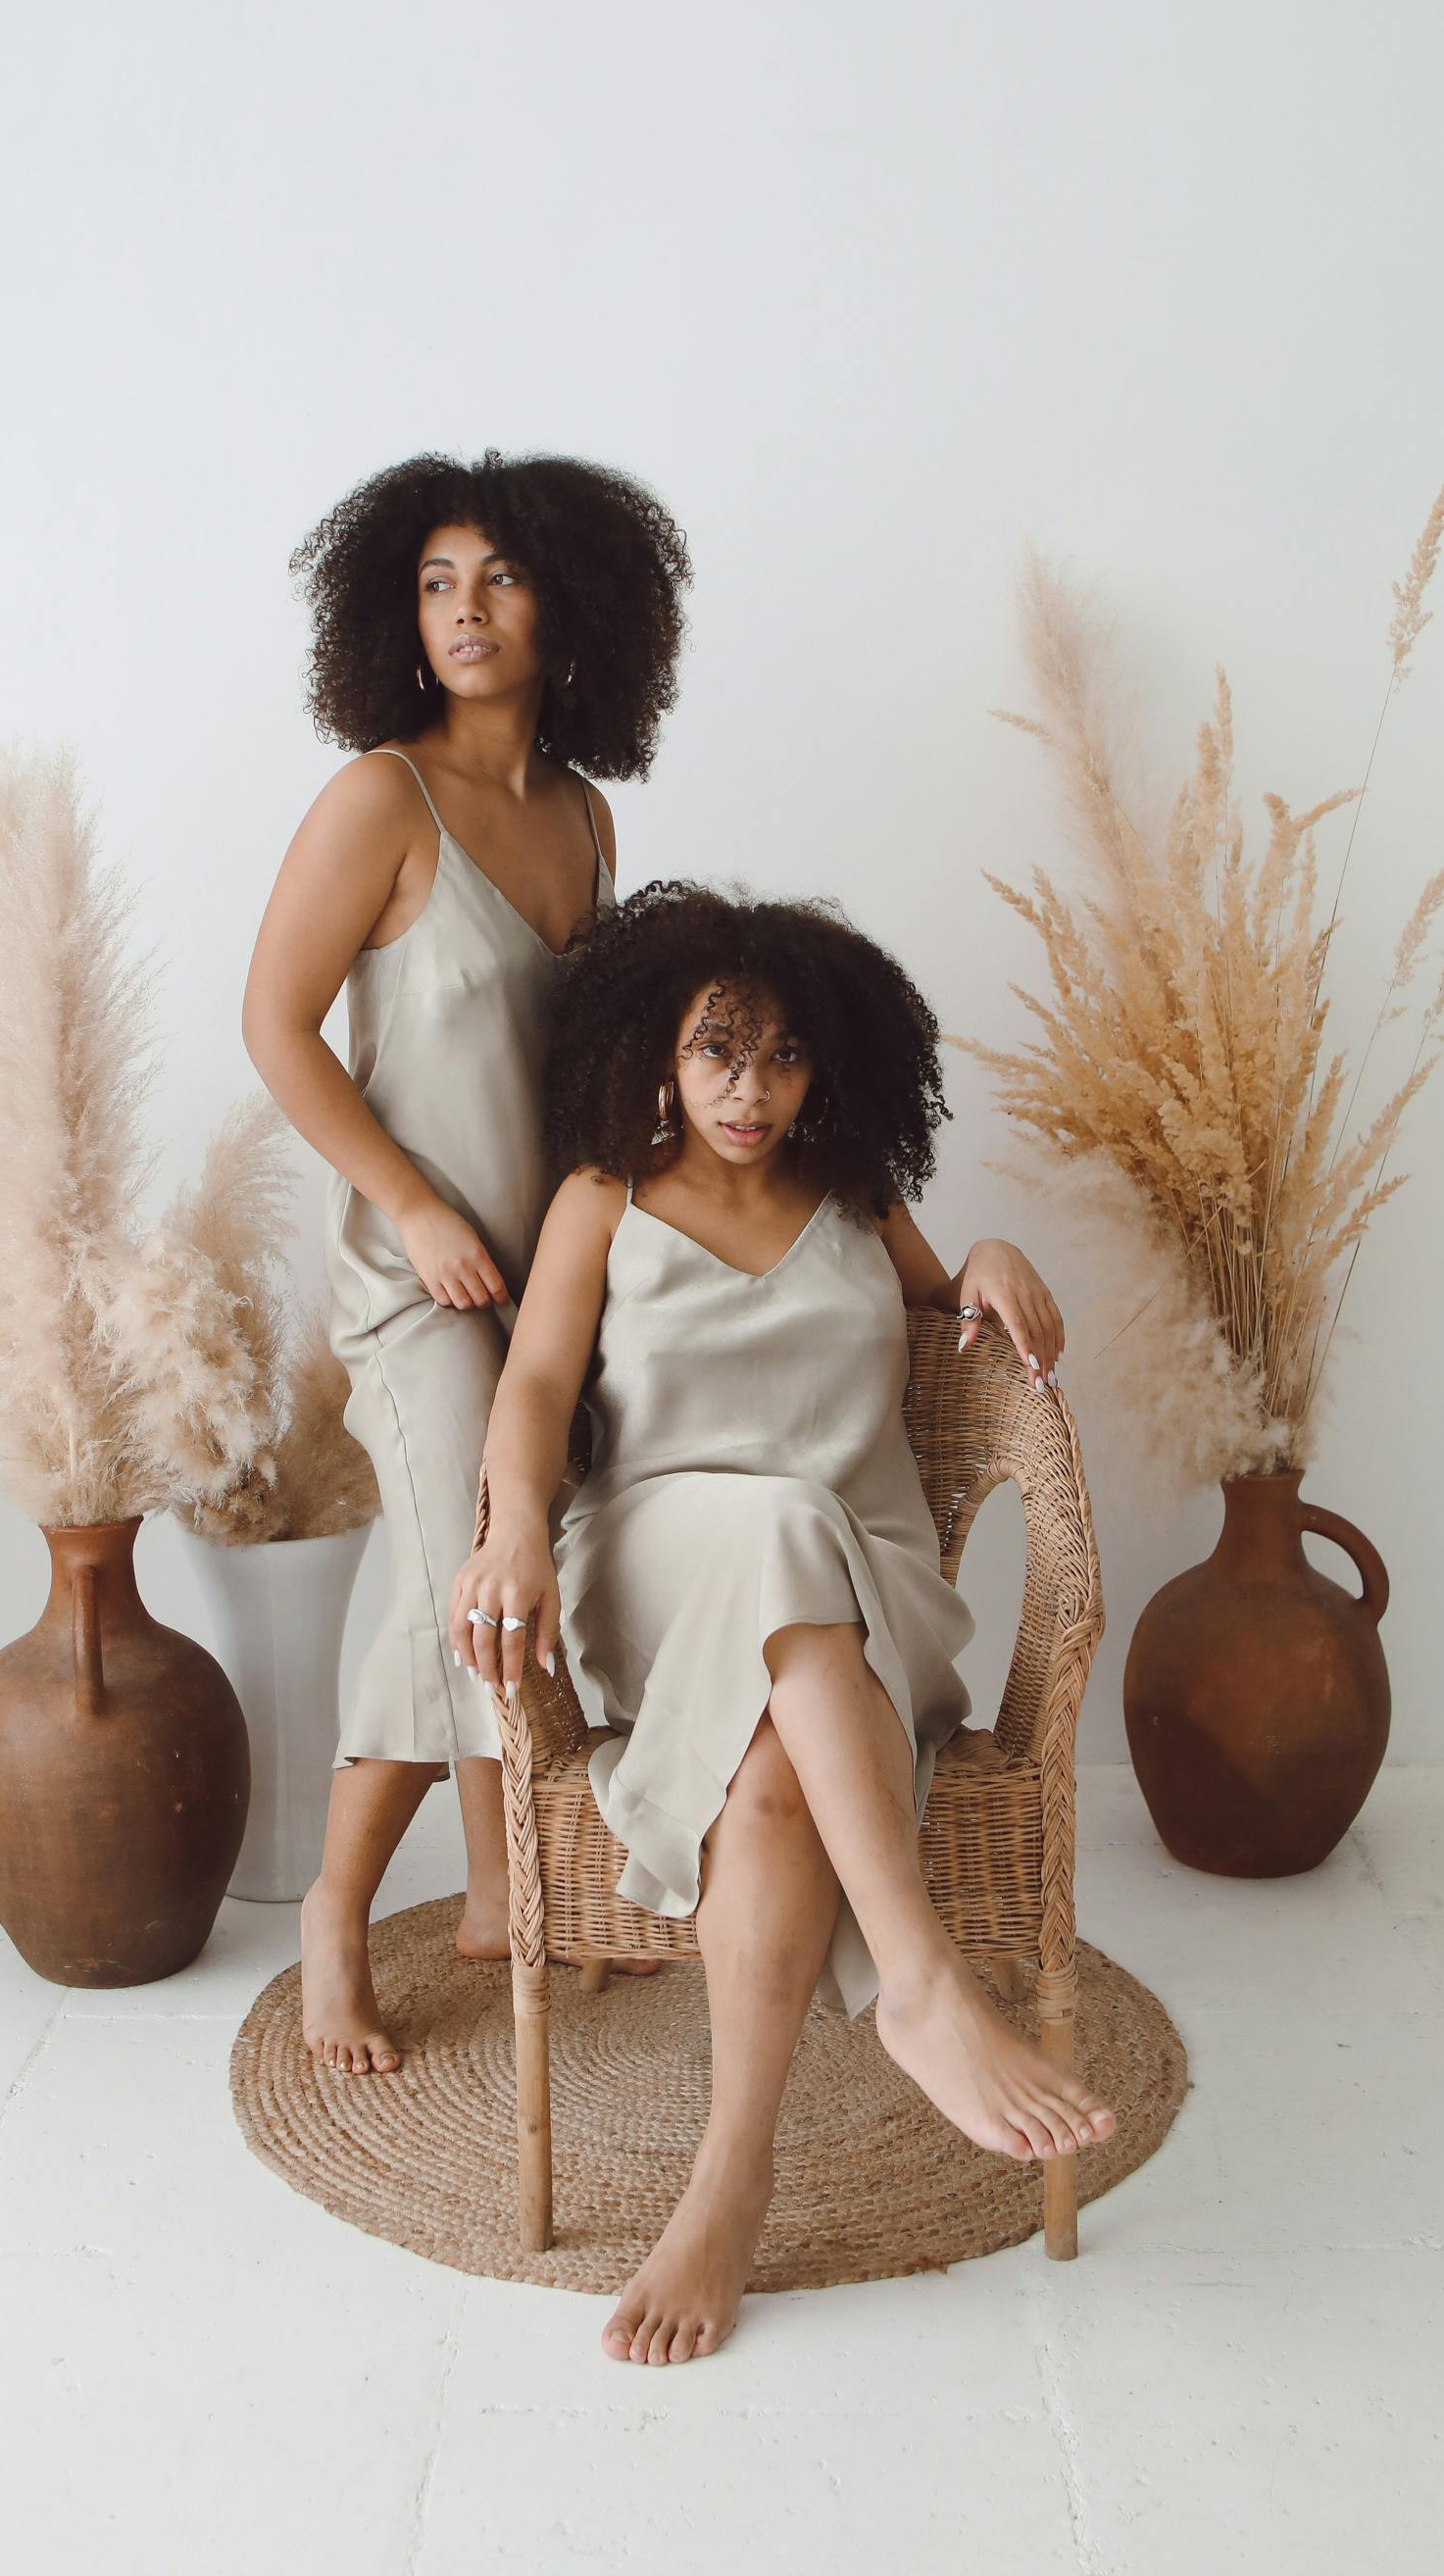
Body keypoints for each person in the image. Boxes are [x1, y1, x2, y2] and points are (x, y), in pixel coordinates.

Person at [450, 885, 1118, 2363]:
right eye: (719, 1052)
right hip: (664, 1566)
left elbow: (956, 1318)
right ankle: (921, 1980)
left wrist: (993, 1258)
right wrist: (506, 1525)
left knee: (769, 1779)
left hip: (865, 1585)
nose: (751, 1091)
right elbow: (535, 1395)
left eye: (786, 1058)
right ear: (660, 1057)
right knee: (769, 1518)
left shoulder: (859, 1195)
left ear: (831, 1068)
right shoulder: (600, 1199)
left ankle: (730, 2181)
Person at [242, 451, 688, 2074]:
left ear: (568, 605)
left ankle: (505, 1897)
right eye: (435, 584)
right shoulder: (380, 799)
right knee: (462, 1591)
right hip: (419, 1291)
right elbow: (274, 1030)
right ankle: (335, 1920)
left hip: (557, 1286)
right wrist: (413, 1208)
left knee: (539, 1575)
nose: (465, 612)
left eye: (496, 578)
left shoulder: (583, 814)